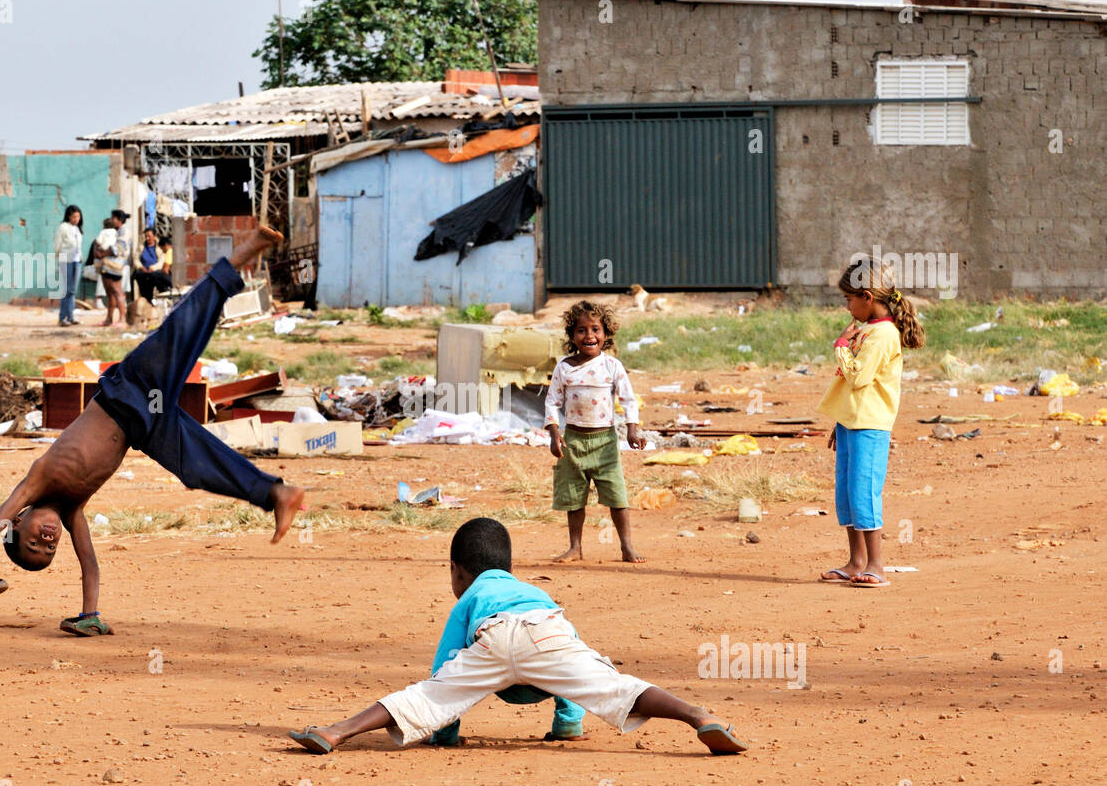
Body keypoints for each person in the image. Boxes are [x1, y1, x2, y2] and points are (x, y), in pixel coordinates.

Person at [0, 226, 305, 635]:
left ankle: (246, 250)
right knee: (194, 467)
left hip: (127, 391)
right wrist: (89, 615)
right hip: (148, 425)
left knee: (184, 327)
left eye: (34, 541)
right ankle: (276, 493)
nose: (47, 540)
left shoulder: (32, 486)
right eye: (49, 550)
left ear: (17, 523)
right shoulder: (72, 512)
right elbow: (89, 564)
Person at [288, 517, 747, 755]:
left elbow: (443, 672)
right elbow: (572, 656)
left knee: (423, 695)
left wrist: (444, 732)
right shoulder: (532, 593)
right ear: (509, 566)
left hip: (494, 638)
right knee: (613, 684)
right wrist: (567, 725)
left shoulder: (468, 599)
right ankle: (697, 715)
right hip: (546, 635)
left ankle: (337, 730)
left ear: (456, 571)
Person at [817, 258, 925, 588]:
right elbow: (852, 389)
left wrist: (840, 347)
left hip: (870, 425)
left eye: (849, 300)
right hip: (852, 422)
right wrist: (840, 420)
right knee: (847, 493)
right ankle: (855, 562)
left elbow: (860, 377)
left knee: (864, 491)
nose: (847, 307)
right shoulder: (867, 330)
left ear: (866, 296)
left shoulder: (883, 335)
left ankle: (876, 564)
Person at [544, 300, 644, 563]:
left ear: (606, 334)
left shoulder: (612, 366)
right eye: (581, 330)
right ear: (572, 336)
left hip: (605, 443)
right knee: (573, 496)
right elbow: (552, 401)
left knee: (617, 495)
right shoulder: (564, 367)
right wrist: (555, 434)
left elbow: (628, 399)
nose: (589, 336)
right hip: (573, 441)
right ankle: (575, 547)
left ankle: (626, 546)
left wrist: (632, 430)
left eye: (596, 330)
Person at [93, 215, 128, 327]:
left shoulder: (123, 234)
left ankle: (122, 318)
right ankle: (109, 318)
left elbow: (117, 250)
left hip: (114, 267)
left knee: (117, 292)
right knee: (110, 294)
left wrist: (101, 252)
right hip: (105, 266)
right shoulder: (116, 233)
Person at [132, 228, 172, 324]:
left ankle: (162, 299)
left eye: (149, 236)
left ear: (154, 236)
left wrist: (153, 268)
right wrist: (141, 267)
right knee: (139, 276)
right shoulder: (141, 246)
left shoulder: (159, 247)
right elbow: (136, 259)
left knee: (156, 277)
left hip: (155, 270)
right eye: (146, 236)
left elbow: (162, 260)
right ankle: (146, 300)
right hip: (143, 270)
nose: (147, 238)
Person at [53, 205, 83, 326]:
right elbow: (57, 245)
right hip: (66, 260)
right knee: (66, 290)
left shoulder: (78, 229)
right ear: (69, 216)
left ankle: (71, 316)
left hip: (77, 261)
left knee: (72, 290)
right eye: (74, 216)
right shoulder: (63, 227)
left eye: (78, 216)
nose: (76, 219)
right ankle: (62, 318)